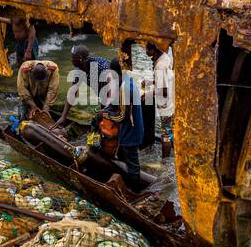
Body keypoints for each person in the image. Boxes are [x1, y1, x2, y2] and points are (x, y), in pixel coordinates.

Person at [100, 58, 144, 192]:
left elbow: (121, 117)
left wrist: (105, 115)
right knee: (124, 157)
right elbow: (116, 104)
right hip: (132, 128)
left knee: (133, 166)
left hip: (131, 131)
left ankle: (135, 191)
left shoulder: (125, 88)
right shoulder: (126, 81)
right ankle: (126, 182)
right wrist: (106, 109)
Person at [57, 44, 112, 131]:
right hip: (103, 95)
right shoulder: (78, 71)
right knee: (100, 123)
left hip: (117, 94)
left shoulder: (100, 66)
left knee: (108, 125)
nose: (71, 60)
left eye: (73, 58)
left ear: (80, 59)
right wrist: (63, 117)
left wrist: (107, 108)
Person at [145, 41, 174, 157]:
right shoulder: (165, 57)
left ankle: (165, 161)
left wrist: (148, 94)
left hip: (166, 104)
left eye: (146, 49)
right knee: (170, 130)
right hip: (172, 99)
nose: (146, 52)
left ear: (152, 50)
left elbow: (164, 90)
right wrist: (151, 82)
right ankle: (173, 154)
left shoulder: (159, 66)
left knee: (165, 134)